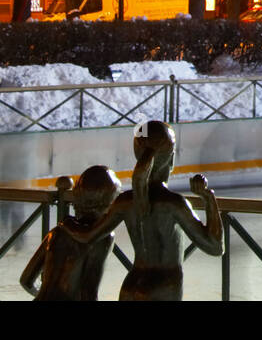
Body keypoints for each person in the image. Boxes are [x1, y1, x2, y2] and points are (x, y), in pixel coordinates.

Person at [67, 121, 223, 300]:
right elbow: (215, 247)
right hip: (163, 286)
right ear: (171, 160)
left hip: (131, 284)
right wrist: (208, 197)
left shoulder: (124, 201)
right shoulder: (174, 203)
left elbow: (88, 236)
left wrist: (66, 223)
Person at [20, 166, 120, 301]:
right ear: (109, 203)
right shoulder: (102, 238)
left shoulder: (57, 233)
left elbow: (26, 280)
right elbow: (89, 294)